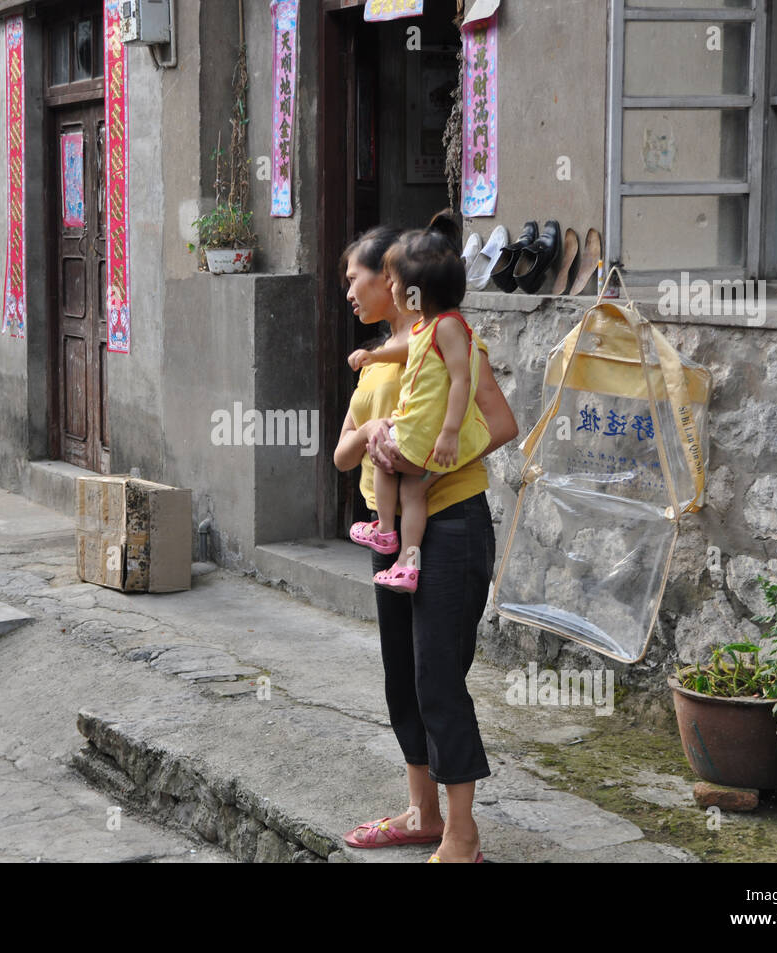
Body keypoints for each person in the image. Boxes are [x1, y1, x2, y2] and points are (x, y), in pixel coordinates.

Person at [333, 216, 518, 864]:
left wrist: (428, 457)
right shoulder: (384, 359)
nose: (354, 289)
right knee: (403, 678)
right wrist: (379, 436)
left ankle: (462, 837)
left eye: (362, 275)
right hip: (389, 534)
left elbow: (500, 422)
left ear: (397, 279)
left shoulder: (450, 341)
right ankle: (422, 811)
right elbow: (343, 450)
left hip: (452, 525)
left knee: (439, 675)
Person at [347, 214, 490, 595]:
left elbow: (462, 380)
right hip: (419, 446)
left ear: (412, 289)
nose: (390, 287)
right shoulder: (427, 330)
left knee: (385, 455)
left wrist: (449, 434)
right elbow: (404, 348)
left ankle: (387, 534)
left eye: (393, 280)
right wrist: (374, 357)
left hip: (434, 460)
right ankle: (404, 558)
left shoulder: (448, 327)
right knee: (409, 488)